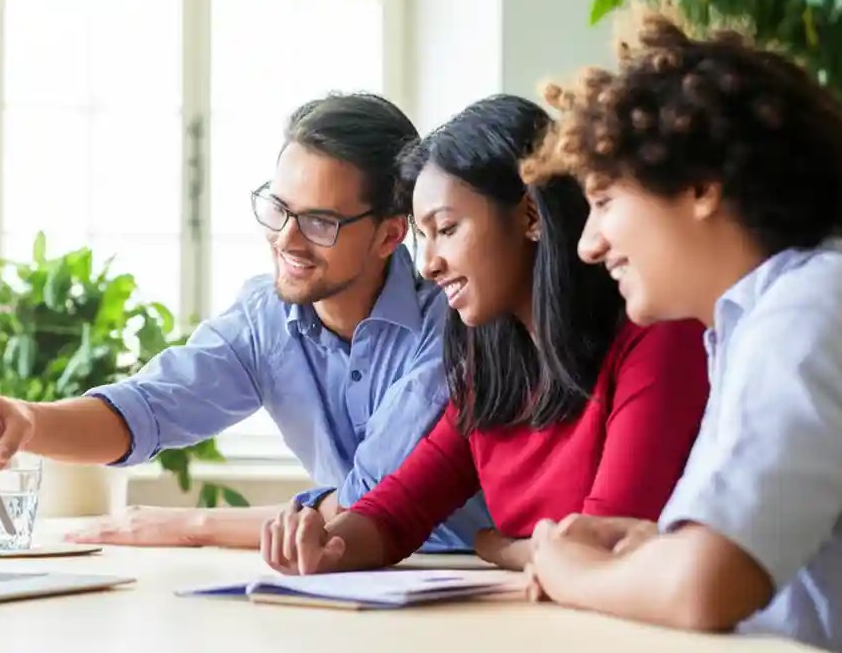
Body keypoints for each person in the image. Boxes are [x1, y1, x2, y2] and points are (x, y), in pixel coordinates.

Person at [518, 3, 842, 653]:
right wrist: (654, 548)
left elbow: (704, 588)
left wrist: (568, 570)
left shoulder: (810, 313)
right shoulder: (769, 318)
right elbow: (742, 563)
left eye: (604, 200)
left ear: (700, 186)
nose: (587, 243)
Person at [0, 92, 490, 551]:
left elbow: (370, 499)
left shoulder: (450, 324)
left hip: (475, 585)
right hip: (348, 582)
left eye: (319, 222)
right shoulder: (266, 317)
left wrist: (191, 526)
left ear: (391, 233)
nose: (286, 240)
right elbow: (149, 409)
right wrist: (28, 420)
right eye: (278, 208)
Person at [259, 94, 709, 575]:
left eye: (447, 229)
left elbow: (601, 550)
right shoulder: (494, 369)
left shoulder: (656, 339)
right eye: (423, 236)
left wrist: (501, 548)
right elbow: (394, 513)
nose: (429, 265)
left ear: (530, 217)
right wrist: (324, 545)